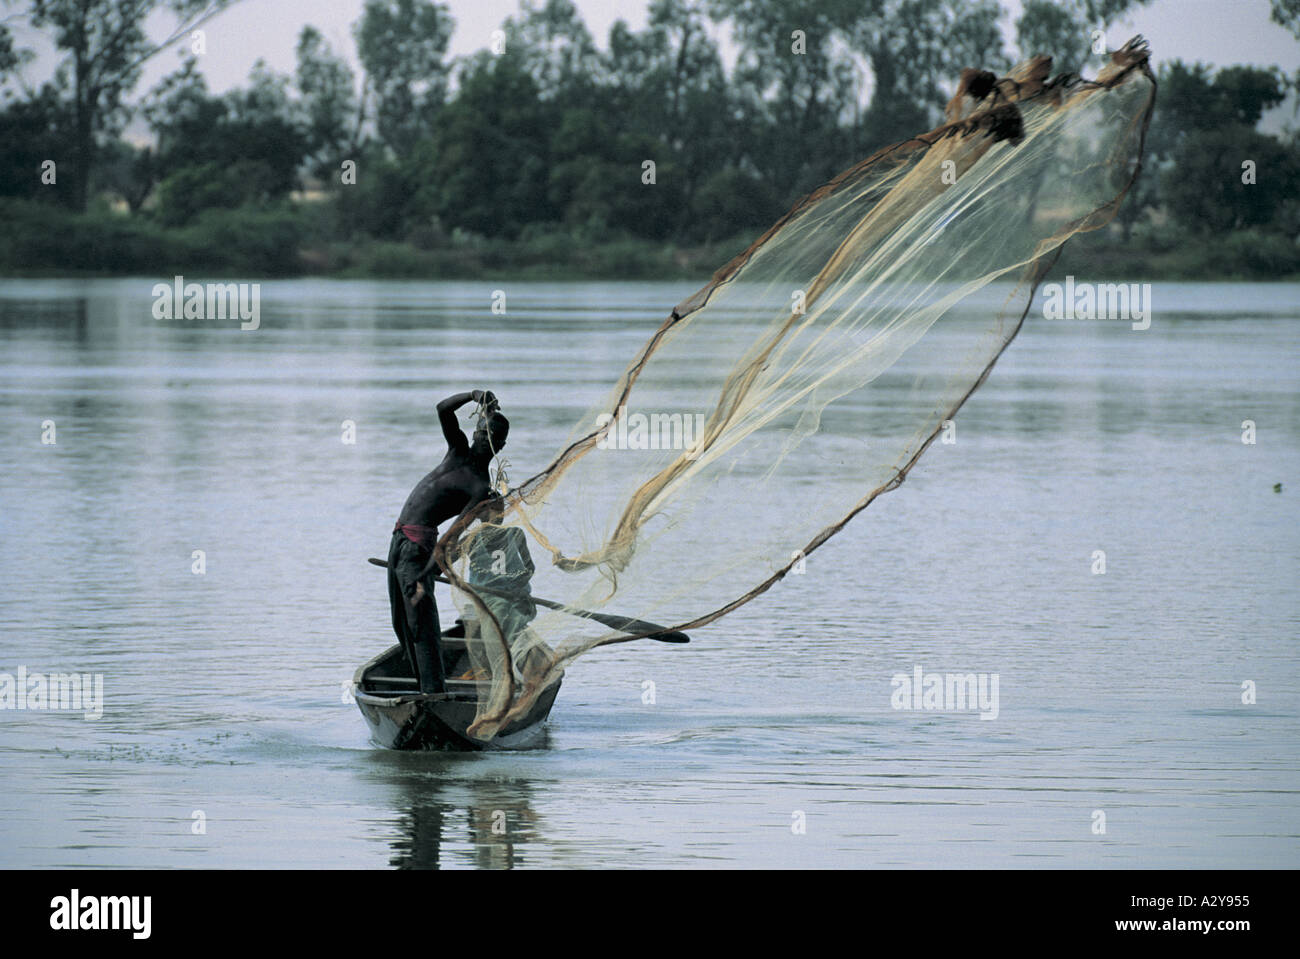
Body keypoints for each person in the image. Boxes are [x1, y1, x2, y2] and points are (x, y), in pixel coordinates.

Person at [388, 390, 508, 694]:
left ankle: (434, 695)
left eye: (489, 436)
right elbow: (442, 409)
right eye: (481, 431)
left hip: (418, 550)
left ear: (500, 445)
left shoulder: (479, 487)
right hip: (399, 540)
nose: (482, 439)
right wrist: (472, 395)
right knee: (403, 623)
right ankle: (423, 690)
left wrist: (426, 574)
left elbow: (454, 536)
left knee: (422, 625)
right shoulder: (457, 450)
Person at [460, 494, 552, 688]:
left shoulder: (515, 534)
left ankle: (505, 677)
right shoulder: (472, 538)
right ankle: (485, 672)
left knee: (498, 632)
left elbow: (529, 568)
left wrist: (515, 587)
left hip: (505, 600)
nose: (498, 516)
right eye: (493, 511)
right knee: (469, 627)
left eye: (501, 511)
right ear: (480, 514)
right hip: (478, 598)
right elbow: (448, 556)